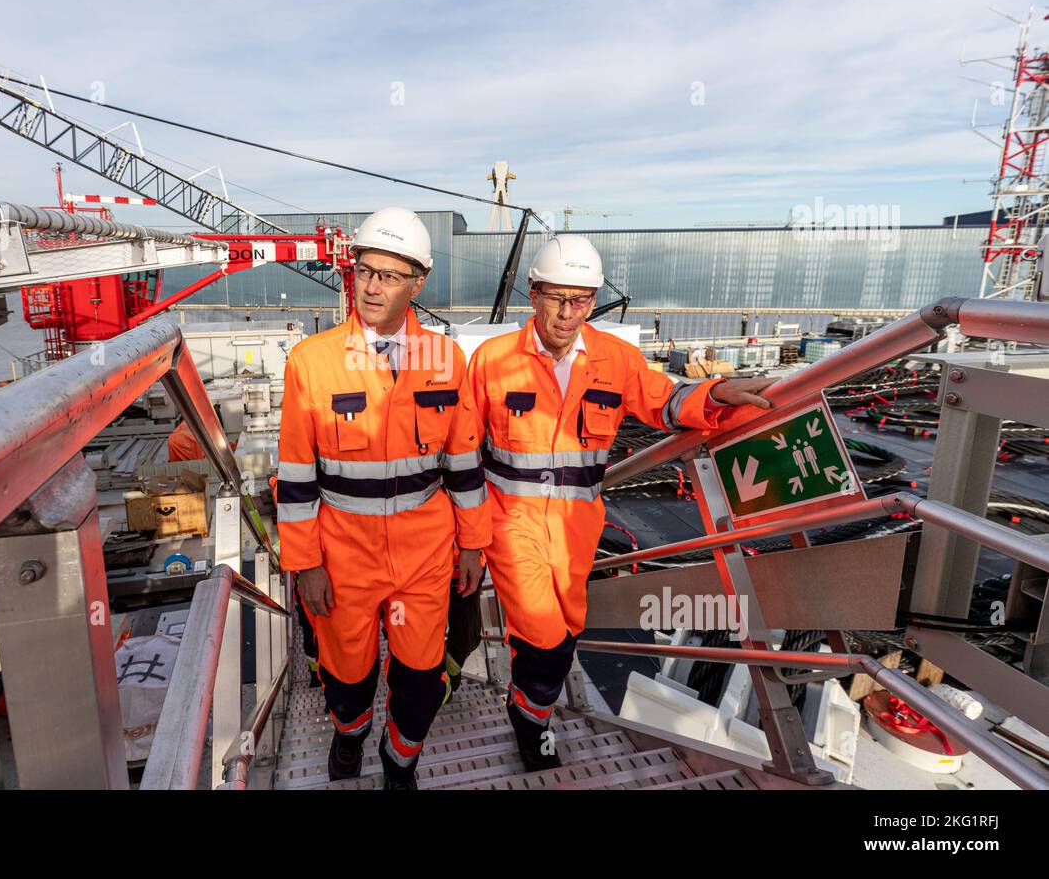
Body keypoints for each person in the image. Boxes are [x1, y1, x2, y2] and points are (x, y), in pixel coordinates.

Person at [466, 234, 776, 770]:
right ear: (533, 294)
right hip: (510, 520)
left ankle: (531, 703)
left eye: (581, 299)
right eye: (557, 297)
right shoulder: (492, 362)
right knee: (540, 634)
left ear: (592, 301)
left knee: (566, 629)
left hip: (577, 525)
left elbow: (665, 400)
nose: (568, 312)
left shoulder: (616, 360)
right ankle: (530, 716)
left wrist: (716, 392)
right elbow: (463, 451)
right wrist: (467, 539)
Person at [275, 207, 491, 788]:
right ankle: (350, 736)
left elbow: (464, 463)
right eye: (365, 271)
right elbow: (295, 476)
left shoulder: (447, 361)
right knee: (346, 672)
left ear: (417, 283)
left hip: (426, 549)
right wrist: (305, 563)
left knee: (420, 674)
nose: (372, 286)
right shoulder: (312, 362)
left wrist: (473, 546)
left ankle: (401, 758)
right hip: (342, 550)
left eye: (390, 276)